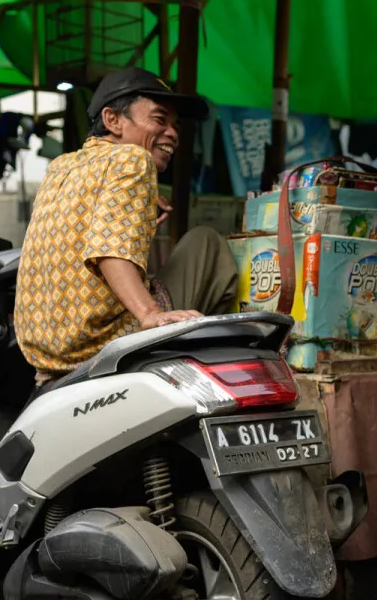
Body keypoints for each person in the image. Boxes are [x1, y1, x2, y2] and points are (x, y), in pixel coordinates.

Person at [15, 67, 239, 382]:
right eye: (159, 120)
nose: (173, 133)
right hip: (101, 344)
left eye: (174, 125)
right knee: (207, 243)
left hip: (48, 356)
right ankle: (212, 369)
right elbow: (108, 249)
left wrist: (142, 219)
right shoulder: (134, 160)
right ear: (113, 120)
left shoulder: (60, 168)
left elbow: (87, 239)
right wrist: (150, 314)